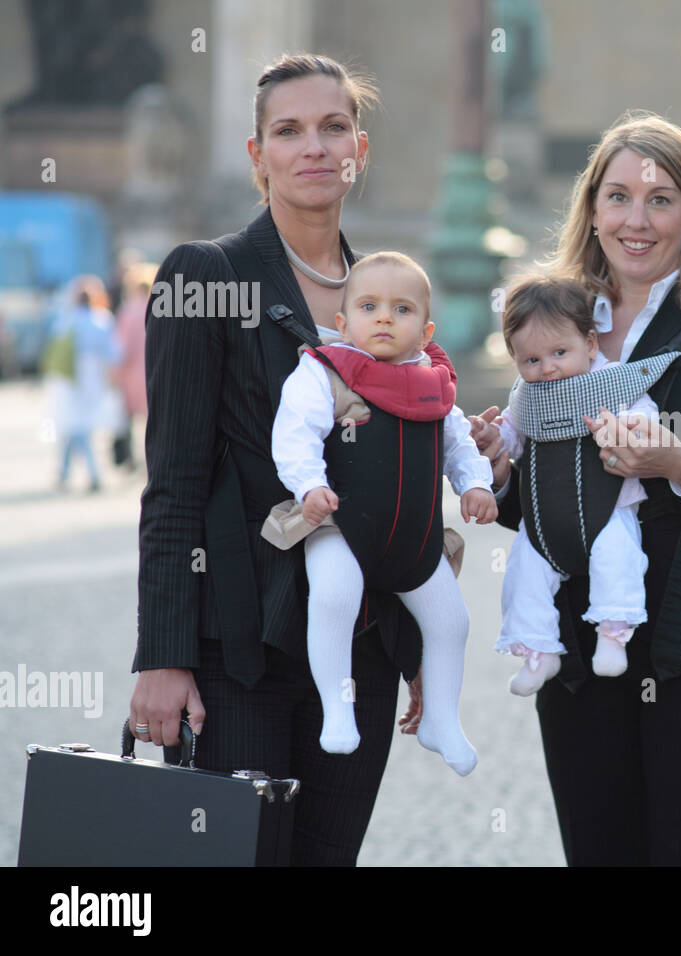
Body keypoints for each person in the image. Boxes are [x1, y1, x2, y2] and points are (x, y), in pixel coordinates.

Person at [472, 111, 681, 865]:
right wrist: (500, 474)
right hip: (580, 645)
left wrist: (679, 469)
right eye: (618, 196)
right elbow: (545, 501)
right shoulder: (549, 322)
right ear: (591, 210)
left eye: (661, 199)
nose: (637, 218)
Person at [130, 54, 433, 865]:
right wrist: (163, 656)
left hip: (358, 657)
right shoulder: (209, 275)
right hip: (241, 653)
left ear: (359, 151)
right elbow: (175, 481)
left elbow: (401, 482)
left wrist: (416, 641)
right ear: (257, 155)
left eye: (334, 128)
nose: (315, 147)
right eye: (289, 131)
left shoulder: (393, 299)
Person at [264, 251, 494, 763]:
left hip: (414, 539)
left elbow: (459, 445)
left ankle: (441, 718)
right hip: (341, 526)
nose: (385, 317)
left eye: (402, 309)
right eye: (369, 306)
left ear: (426, 330)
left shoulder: (434, 388)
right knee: (333, 598)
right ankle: (338, 709)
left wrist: (476, 485)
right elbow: (294, 434)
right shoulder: (325, 372)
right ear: (343, 323)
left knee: (452, 623)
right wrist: (309, 487)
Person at [486, 275, 660, 694]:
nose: (546, 368)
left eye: (559, 353)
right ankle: (538, 651)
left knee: (618, 560)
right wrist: (490, 439)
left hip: (610, 508)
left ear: (591, 344)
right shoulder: (526, 396)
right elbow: (511, 432)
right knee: (523, 574)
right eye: (530, 360)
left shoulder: (615, 382)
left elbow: (647, 416)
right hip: (544, 515)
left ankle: (613, 635)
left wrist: (631, 429)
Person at [48, 276, 123, 493]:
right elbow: (114, 354)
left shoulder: (65, 320)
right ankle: (85, 472)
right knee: (82, 426)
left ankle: (73, 471)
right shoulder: (102, 320)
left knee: (73, 425)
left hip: (69, 378)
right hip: (92, 377)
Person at [111, 263, 154, 473]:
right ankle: (150, 461)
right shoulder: (161, 308)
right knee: (153, 420)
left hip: (130, 374)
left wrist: (113, 372)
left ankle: (132, 461)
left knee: (129, 420)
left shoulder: (128, 311)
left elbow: (121, 347)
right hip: (153, 370)